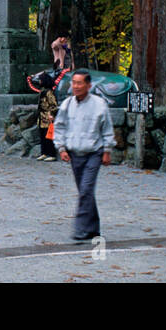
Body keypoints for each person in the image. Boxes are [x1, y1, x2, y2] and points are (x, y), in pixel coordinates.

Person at [52, 69, 114, 241]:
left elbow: (107, 129)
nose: (76, 86)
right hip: (74, 153)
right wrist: (62, 148)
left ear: (88, 85)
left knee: (86, 189)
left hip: (94, 152)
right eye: (74, 83)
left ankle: (80, 228)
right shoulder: (67, 104)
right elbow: (60, 126)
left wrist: (107, 151)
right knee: (84, 191)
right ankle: (93, 228)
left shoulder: (99, 104)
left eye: (80, 83)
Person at [27, 70, 60, 161]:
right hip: (41, 117)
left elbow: (54, 105)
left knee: (48, 136)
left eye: (41, 79)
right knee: (42, 136)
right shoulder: (43, 91)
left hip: (47, 116)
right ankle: (44, 152)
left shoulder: (49, 92)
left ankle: (51, 154)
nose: (39, 81)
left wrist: (52, 114)